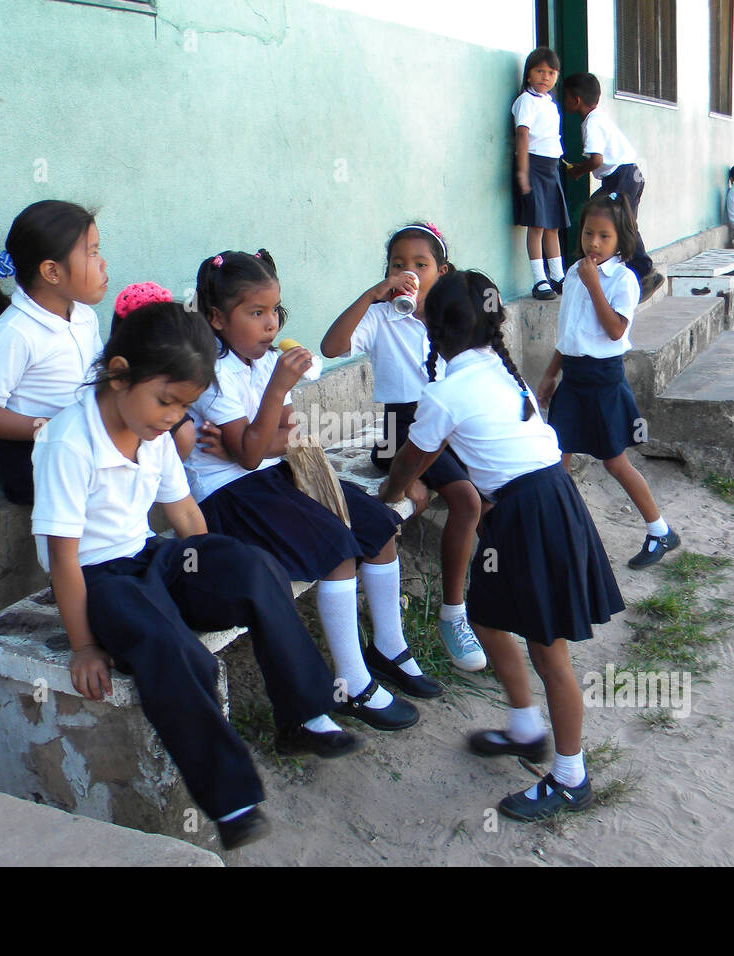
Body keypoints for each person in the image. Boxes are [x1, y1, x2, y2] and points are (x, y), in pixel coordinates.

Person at [32, 301, 361, 851]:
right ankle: (231, 800)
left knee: (254, 567)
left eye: (183, 407)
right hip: (98, 581)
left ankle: (304, 716)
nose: (171, 418)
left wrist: (215, 566)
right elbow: (64, 557)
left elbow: (185, 517)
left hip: (150, 555)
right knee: (174, 649)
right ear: (119, 374)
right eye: (166, 401)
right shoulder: (70, 440)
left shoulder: (153, 432)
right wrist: (84, 645)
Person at [378, 269, 624, 821]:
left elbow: (408, 464)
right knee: (487, 616)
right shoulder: (495, 367)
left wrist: (386, 497)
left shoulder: (447, 392)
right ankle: (524, 726)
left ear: (434, 331)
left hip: (532, 513)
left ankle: (570, 777)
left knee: (549, 652)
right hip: (538, 504)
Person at [186, 249, 434, 731]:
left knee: (377, 523)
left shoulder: (263, 362)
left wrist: (253, 440)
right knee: (335, 547)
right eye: (255, 313)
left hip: (274, 476)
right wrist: (270, 410)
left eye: (274, 311)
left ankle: (388, 647)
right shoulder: (214, 375)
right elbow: (255, 454)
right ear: (216, 318)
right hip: (231, 499)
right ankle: (352, 683)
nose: (270, 325)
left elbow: (290, 436)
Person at [320, 223, 487, 673]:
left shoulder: (452, 318)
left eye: (420, 264)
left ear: (443, 271)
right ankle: (454, 615)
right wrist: (371, 295)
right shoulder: (379, 318)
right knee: (467, 500)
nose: (408, 272)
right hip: (404, 425)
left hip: (448, 422)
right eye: (398, 264)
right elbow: (331, 346)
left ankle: (490, 596)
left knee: (492, 493)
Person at [537, 193, 680, 568]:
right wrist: (551, 374)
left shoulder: (623, 279)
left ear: (621, 240)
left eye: (604, 236)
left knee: (615, 463)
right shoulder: (573, 272)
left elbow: (616, 330)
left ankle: (660, 531)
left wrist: (593, 284)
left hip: (603, 382)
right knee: (557, 460)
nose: (594, 243)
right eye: (588, 234)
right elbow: (568, 332)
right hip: (573, 379)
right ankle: (564, 537)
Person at [0, 200, 105, 505]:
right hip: (34, 460)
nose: (102, 263)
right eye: (92, 253)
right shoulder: (15, 332)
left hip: (77, 446)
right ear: (52, 272)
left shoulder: (85, 317)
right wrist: (49, 426)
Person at [562, 72, 665, 301]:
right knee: (625, 223)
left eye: (565, 97)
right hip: (632, 174)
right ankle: (636, 270)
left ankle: (644, 270)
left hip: (622, 176)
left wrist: (578, 170)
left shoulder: (591, 123)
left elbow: (597, 160)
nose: (563, 102)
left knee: (601, 214)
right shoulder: (599, 117)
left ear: (575, 100)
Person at [111, 281, 201, 458]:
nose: (174, 417)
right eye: (165, 401)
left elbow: (175, 486)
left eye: (186, 405)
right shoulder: (71, 446)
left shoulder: (159, 438)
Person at [511, 48, 570, 300]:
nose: (545, 77)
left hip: (550, 167)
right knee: (537, 225)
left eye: (551, 72)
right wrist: (523, 172)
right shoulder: (526, 101)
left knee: (553, 226)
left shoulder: (549, 102)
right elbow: (522, 135)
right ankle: (539, 279)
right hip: (533, 165)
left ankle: (558, 276)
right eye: (540, 71)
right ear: (528, 75)